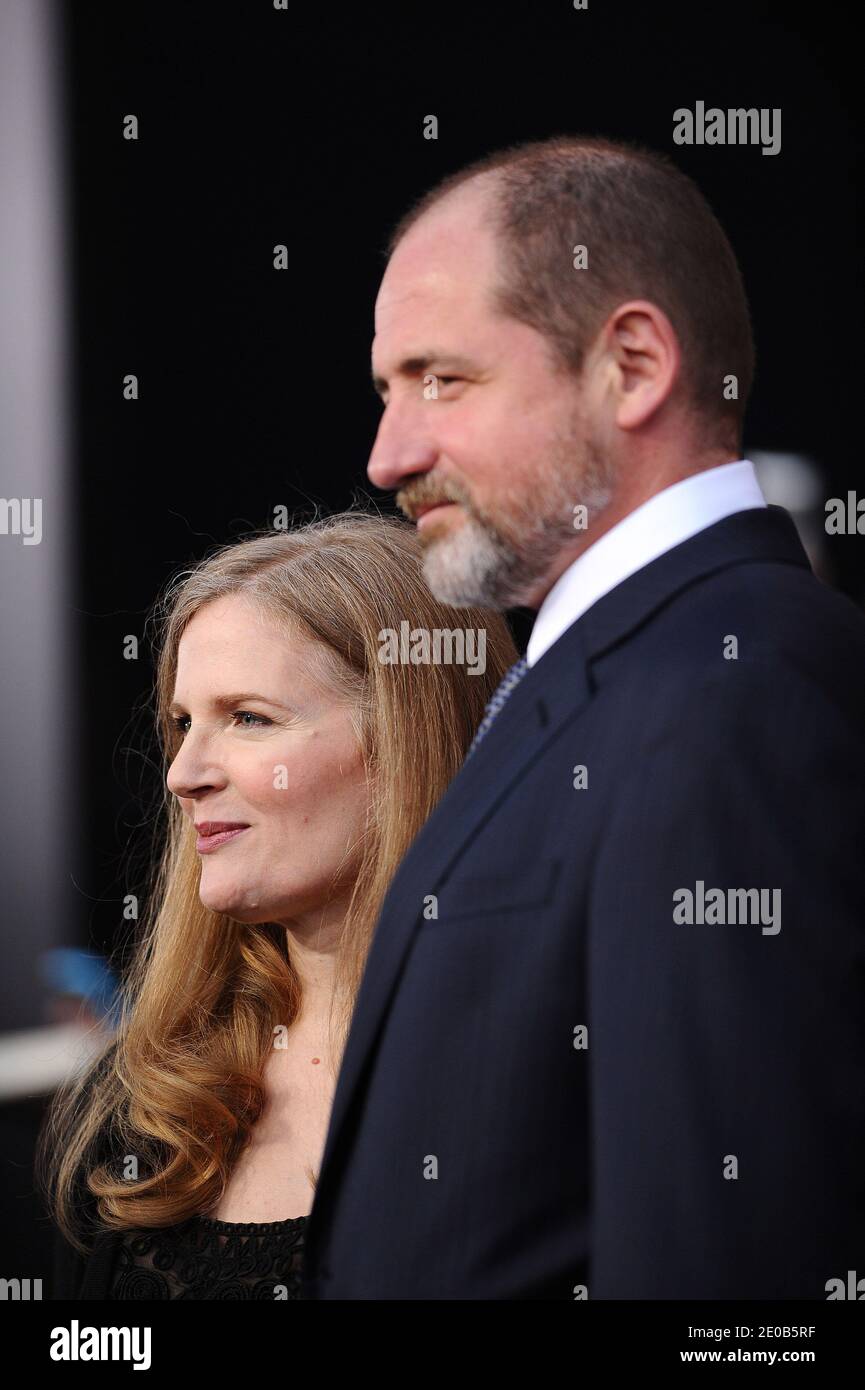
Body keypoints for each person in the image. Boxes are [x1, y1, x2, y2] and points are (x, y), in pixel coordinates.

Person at [301, 136, 865, 1299]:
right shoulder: (644, 676)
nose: (387, 454)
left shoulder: (728, 692)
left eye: (440, 379)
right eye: (384, 389)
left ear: (635, 364)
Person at [37, 512, 517, 1299]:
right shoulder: (139, 1109)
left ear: (406, 738)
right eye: (182, 724)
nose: (183, 774)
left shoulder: (569, 1075)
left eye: (249, 719)